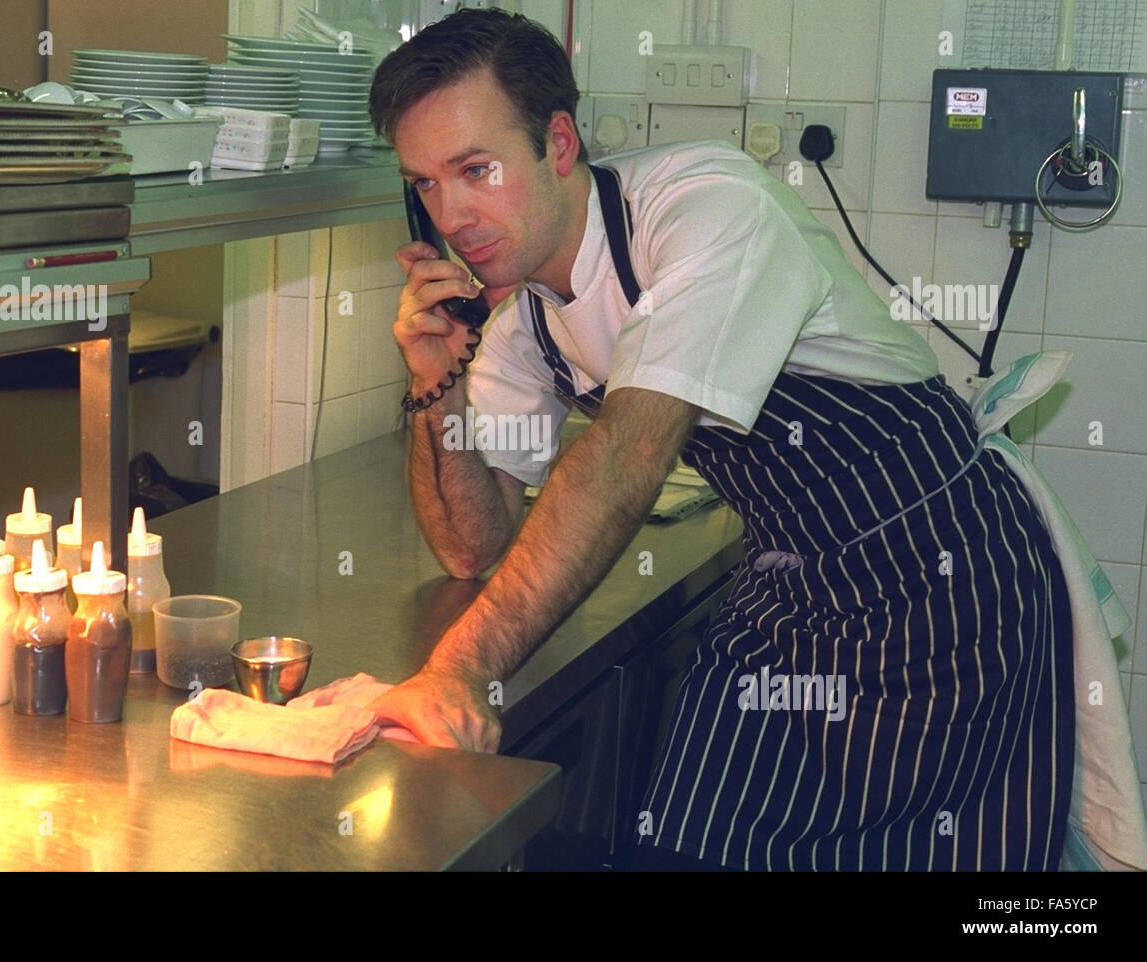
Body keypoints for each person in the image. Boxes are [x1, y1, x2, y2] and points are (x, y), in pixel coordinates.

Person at [365, 8, 1073, 871]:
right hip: (792, 594)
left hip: (942, 583)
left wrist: (462, 667)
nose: (454, 214)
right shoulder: (527, 328)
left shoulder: (708, 210)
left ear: (557, 143)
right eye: (428, 184)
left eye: (477, 169)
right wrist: (432, 382)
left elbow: (627, 456)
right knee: (688, 846)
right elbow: (472, 545)